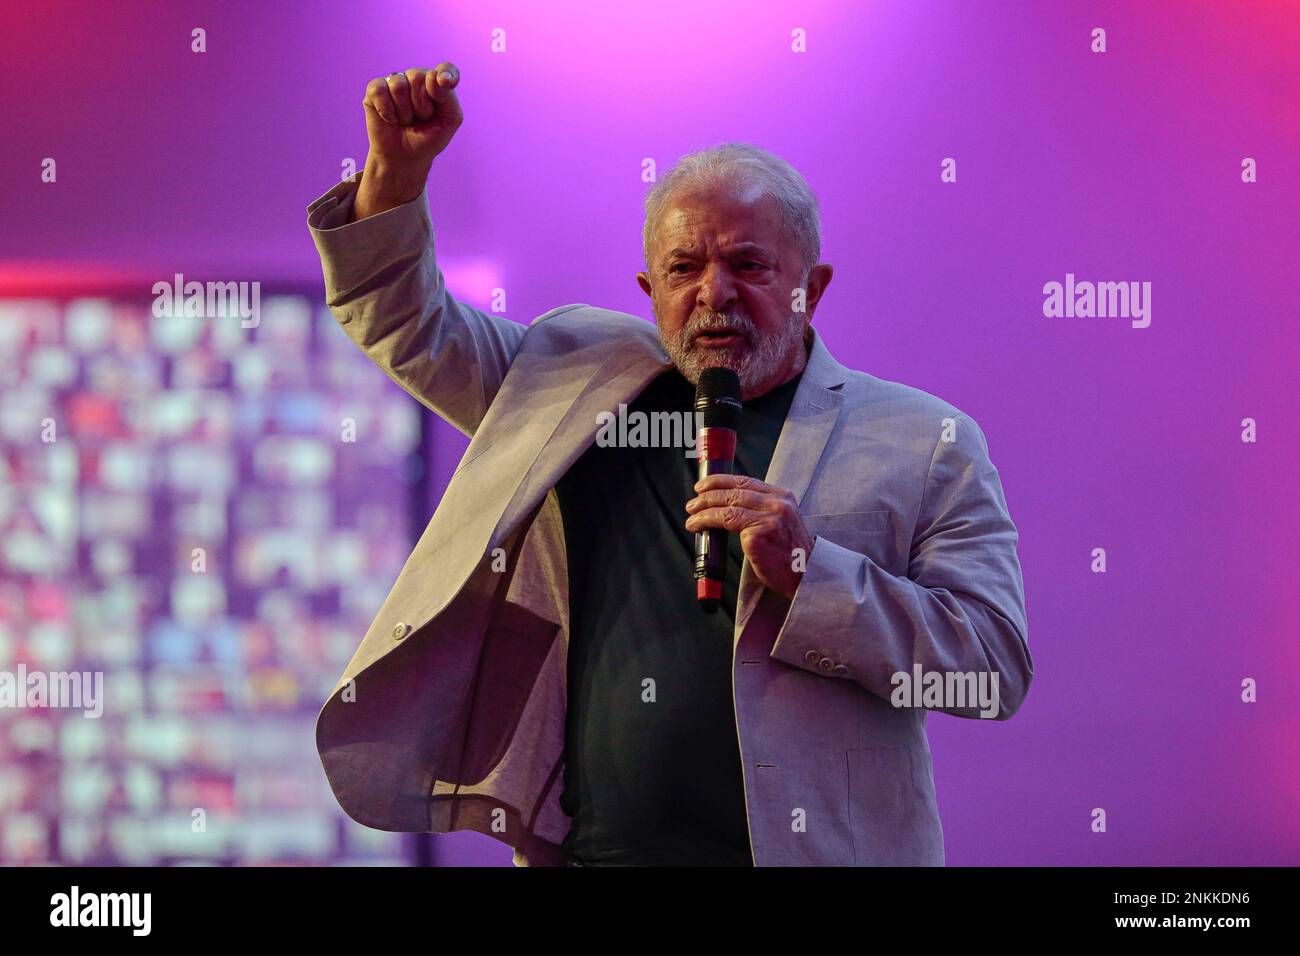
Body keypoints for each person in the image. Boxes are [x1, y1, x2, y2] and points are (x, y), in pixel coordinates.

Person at [306, 62, 1032, 866]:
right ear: (650, 289)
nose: (714, 294)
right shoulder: (568, 381)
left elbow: (992, 668)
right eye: (685, 269)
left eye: (750, 266)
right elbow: (406, 323)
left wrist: (812, 575)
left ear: (811, 290)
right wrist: (394, 176)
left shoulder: (925, 439)